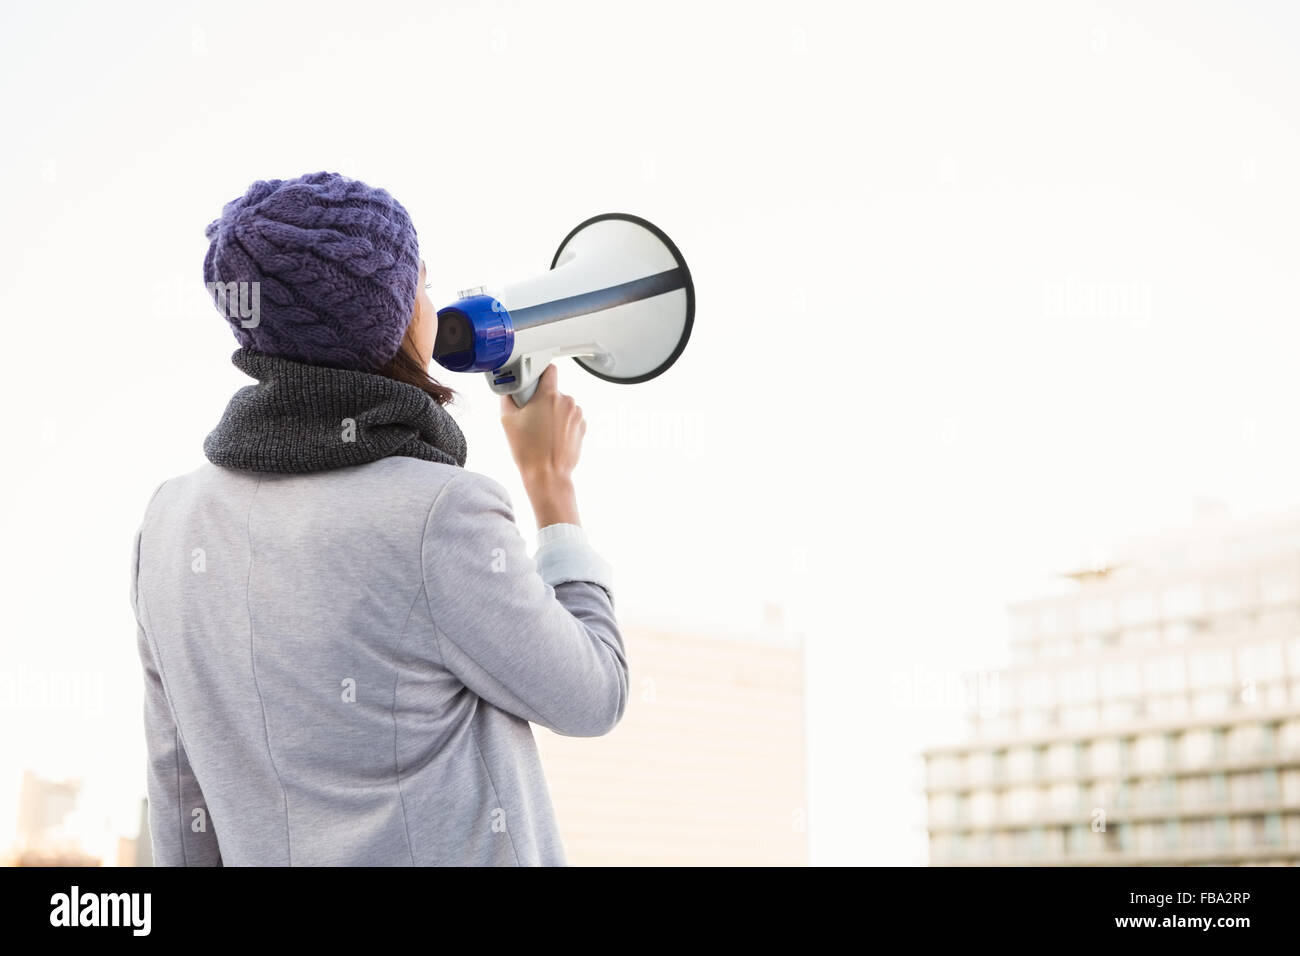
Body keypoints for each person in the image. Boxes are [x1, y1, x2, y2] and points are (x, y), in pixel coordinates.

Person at [130, 171, 627, 866]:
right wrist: (552, 486)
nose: (433, 303)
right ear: (391, 313)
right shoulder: (440, 514)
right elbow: (594, 696)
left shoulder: (170, 524)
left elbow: (181, 813)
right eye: (422, 283)